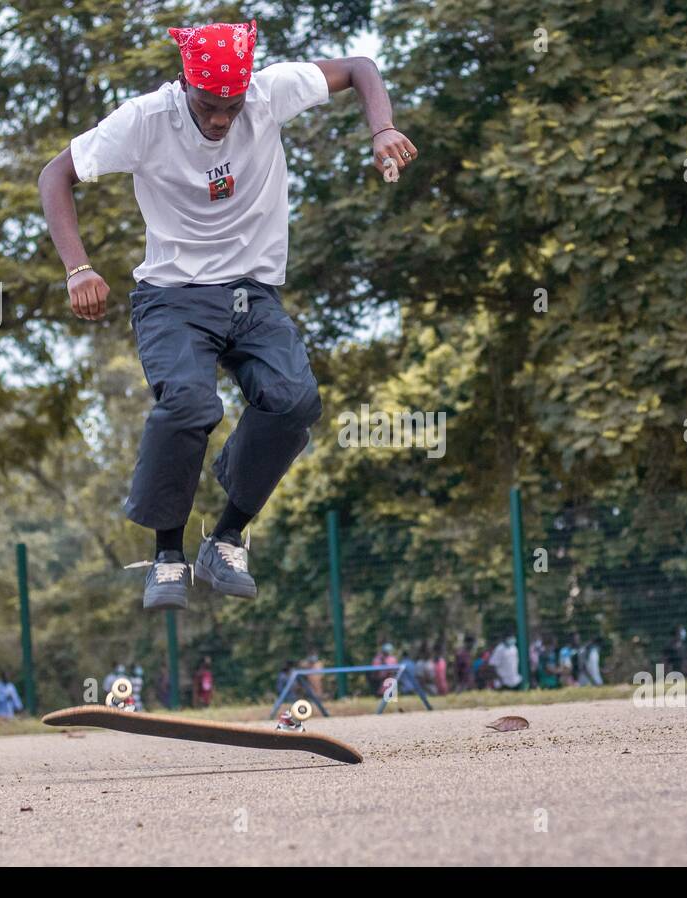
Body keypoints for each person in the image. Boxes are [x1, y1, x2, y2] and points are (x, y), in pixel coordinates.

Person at [38, 19, 418, 613]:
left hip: (253, 293)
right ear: (186, 85)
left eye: (230, 107)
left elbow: (361, 68)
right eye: (208, 106)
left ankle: (227, 537)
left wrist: (383, 128)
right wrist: (77, 269)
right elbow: (55, 175)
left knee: (294, 403)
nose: (220, 120)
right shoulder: (144, 120)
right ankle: (168, 556)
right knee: (190, 405)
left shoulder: (268, 93)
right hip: (173, 297)